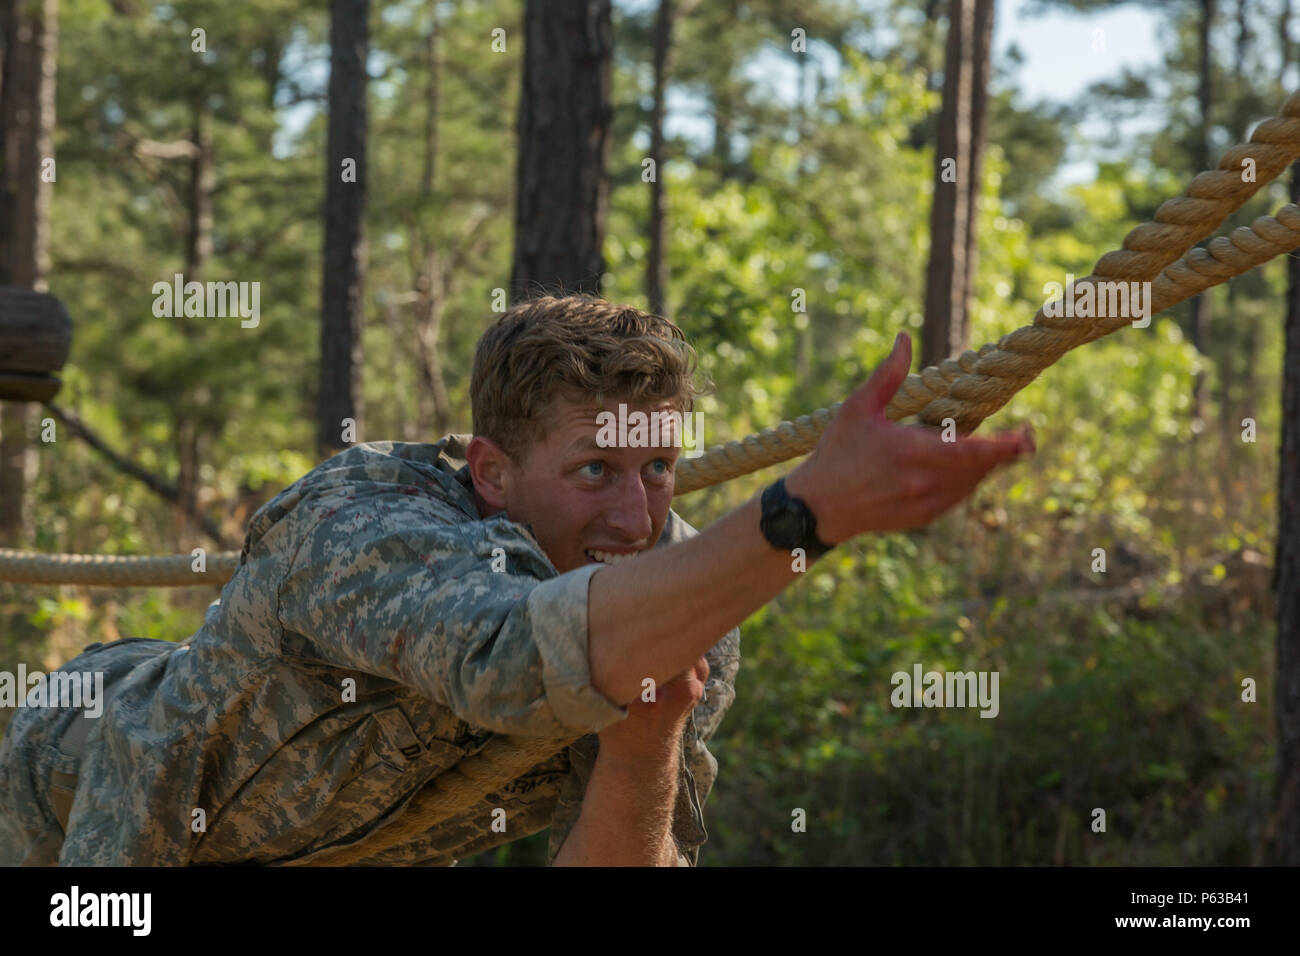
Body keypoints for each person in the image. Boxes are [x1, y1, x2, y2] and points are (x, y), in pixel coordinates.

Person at [0, 294, 1034, 866]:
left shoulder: (682, 602)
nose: (636, 519)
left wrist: (644, 744)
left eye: (657, 468)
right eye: (593, 471)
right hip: (78, 794)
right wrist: (804, 516)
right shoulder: (364, 521)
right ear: (492, 470)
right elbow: (508, 656)